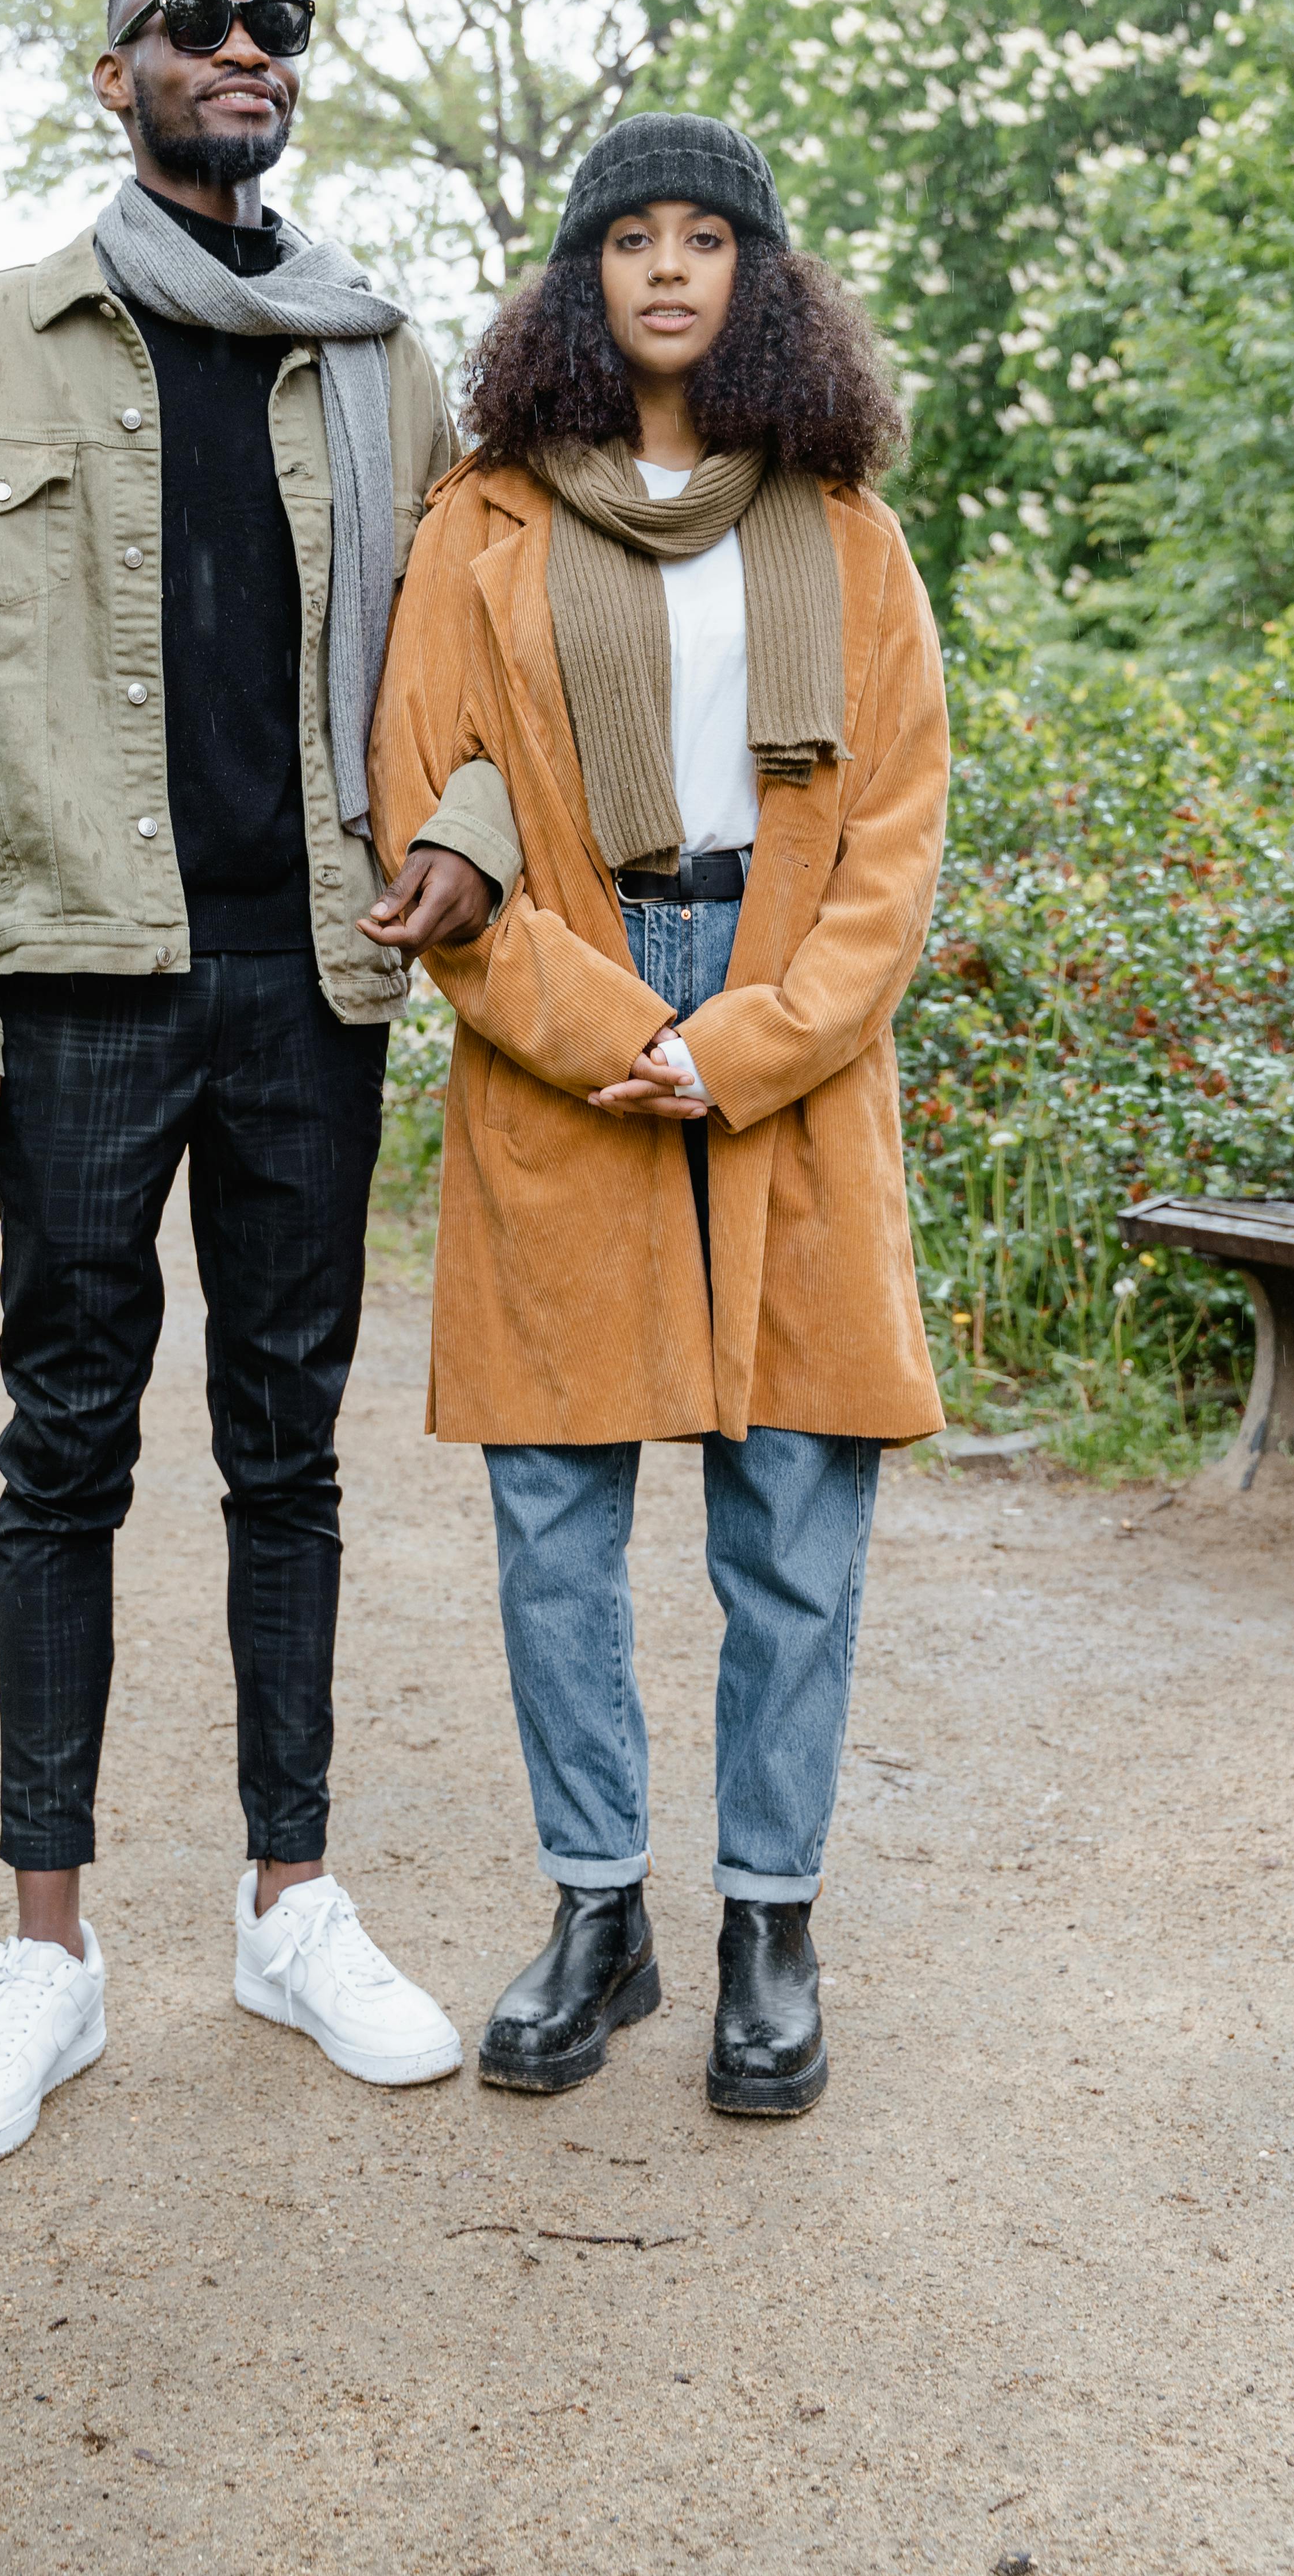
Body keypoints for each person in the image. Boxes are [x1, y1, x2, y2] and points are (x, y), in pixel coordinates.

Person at [0, 0, 516, 2164]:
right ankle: (41, 1959)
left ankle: (290, 1901)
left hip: (310, 982)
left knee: (287, 1450)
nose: (242, 50)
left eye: (273, 26)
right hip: (72, 985)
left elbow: (484, 653)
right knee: (64, 1452)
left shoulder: (380, 352)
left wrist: (469, 829)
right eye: (196, 23)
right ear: (117, 71)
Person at [366, 113, 949, 2117]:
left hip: (789, 1034)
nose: (673, 269)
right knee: (556, 1517)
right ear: (582, 280)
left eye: (711, 238)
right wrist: (605, 1021)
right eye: (634, 238)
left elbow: (893, 837)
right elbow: (424, 794)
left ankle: (769, 1922)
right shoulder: (487, 520)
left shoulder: (850, 531)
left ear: (762, 281)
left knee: (792, 1513)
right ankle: (596, 1909)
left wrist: (754, 1041)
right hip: (576, 1032)